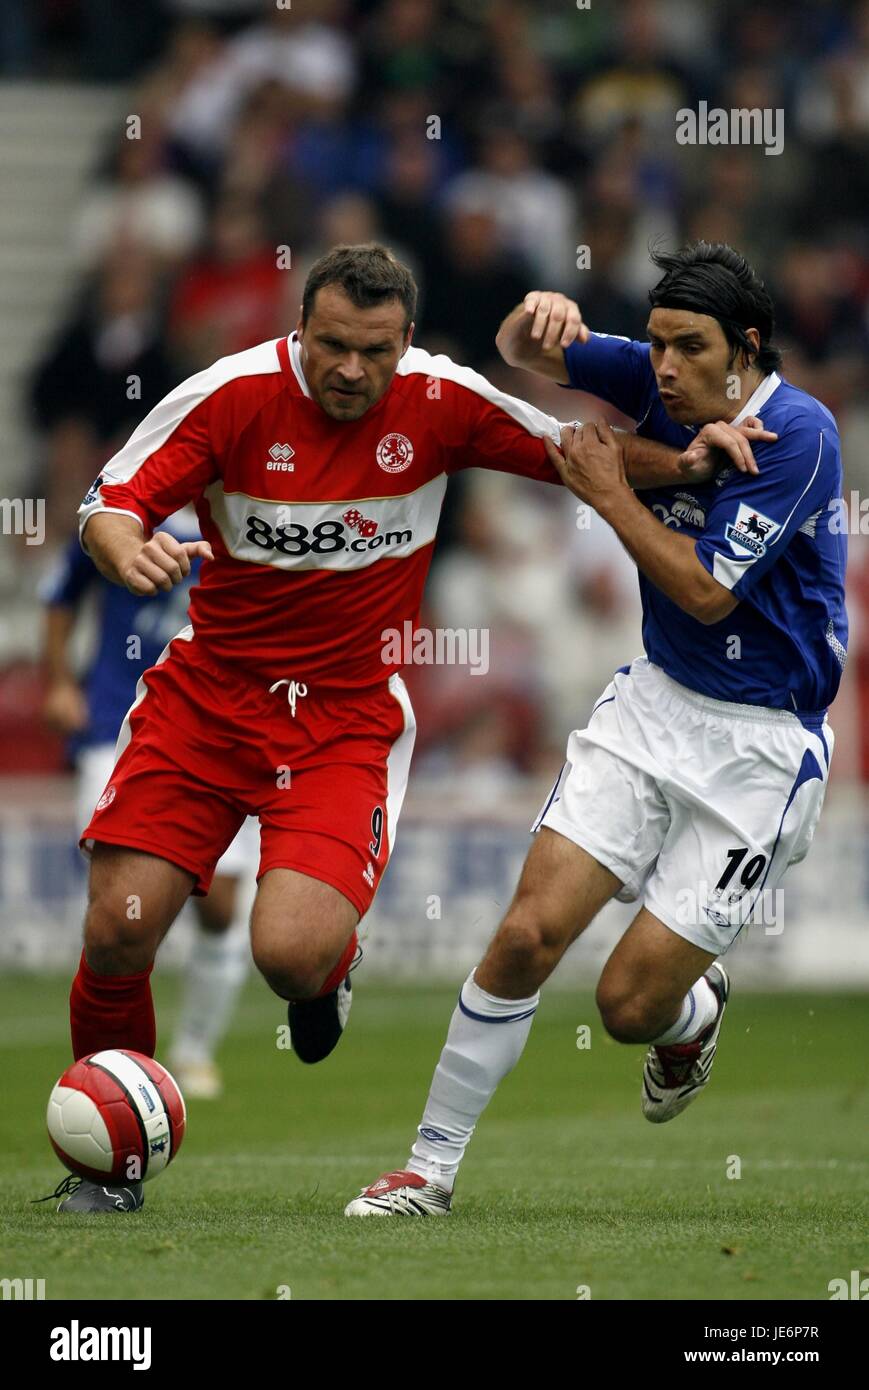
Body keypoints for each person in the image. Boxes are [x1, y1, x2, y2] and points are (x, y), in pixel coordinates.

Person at [49, 241, 767, 1214]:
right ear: (299, 329)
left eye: (375, 351)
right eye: (333, 346)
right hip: (205, 701)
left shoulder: (438, 399)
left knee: (289, 954)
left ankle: (326, 968)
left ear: (406, 343)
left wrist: (679, 459)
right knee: (117, 929)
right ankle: (107, 1167)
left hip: (343, 720)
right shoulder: (225, 395)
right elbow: (110, 498)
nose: (352, 369)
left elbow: (566, 450)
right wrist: (122, 545)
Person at [345, 241, 846, 1217]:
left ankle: (689, 1015)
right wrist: (532, 322)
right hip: (652, 707)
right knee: (527, 933)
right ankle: (426, 1170)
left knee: (627, 1007)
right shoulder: (659, 367)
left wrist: (609, 493)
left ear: (741, 348)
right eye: (653, 343)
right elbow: (518, 351)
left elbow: (704, 592)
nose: (659, 368)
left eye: (686, 349)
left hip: (761, 750)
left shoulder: (799, 434)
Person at [41, 507, 257, 1101]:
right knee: (121, 911)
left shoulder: (250, 504)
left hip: (220, 730)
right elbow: (61, 593)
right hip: (117, 722)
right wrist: (60, 681)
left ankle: (193, 1050)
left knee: (220, 909)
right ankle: (118, 1072)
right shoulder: (125, 507)